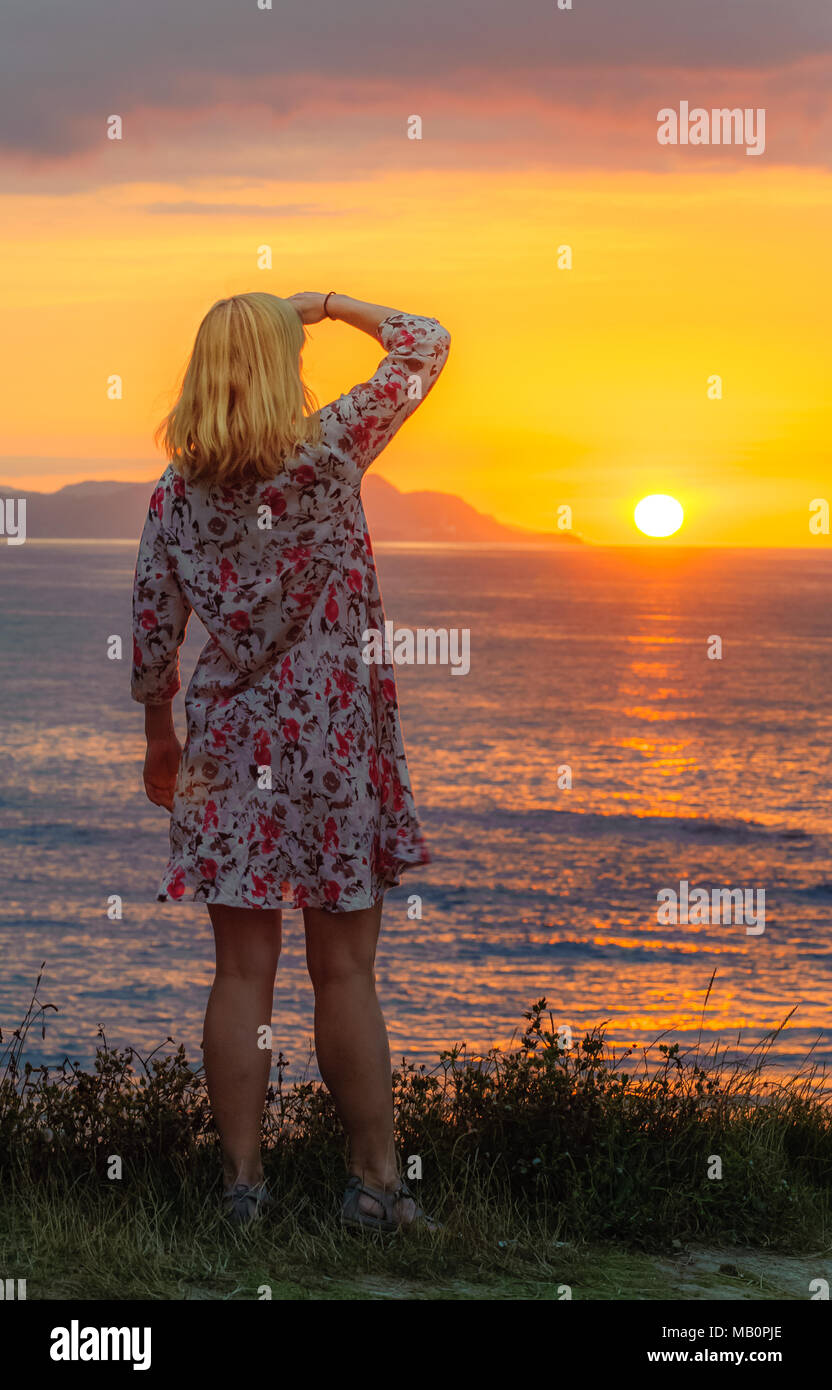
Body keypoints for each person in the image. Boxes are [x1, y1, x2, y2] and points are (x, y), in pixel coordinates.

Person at [130, 290, 451, 1229]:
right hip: (334, 747)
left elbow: (153, 631)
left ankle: (242, 1192)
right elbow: (425, 342)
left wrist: (161, 739)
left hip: (230, 748)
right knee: (346, 972)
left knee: (240, 975)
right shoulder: (332, 450)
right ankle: (373, 1188)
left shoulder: (176, 494)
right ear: (285, 364)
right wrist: (326, 304)